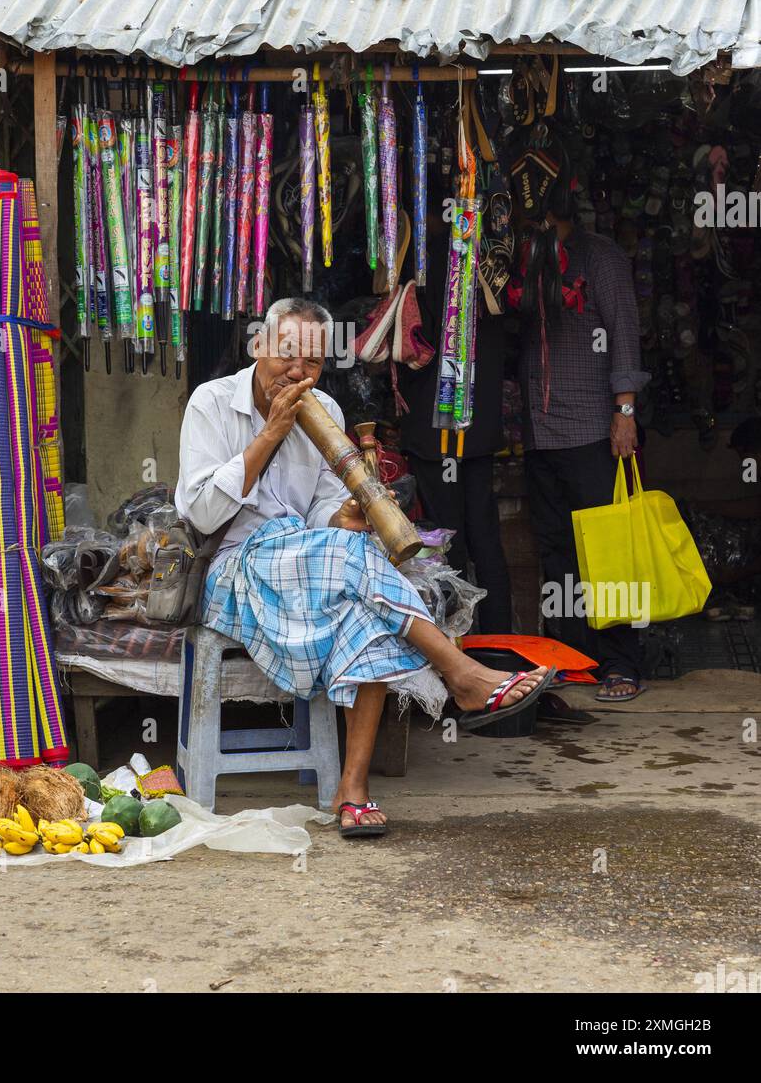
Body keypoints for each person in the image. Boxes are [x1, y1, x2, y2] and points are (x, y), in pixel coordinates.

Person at [174, 297, 554, 837]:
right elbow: (204, 511)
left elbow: (323, 517)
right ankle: (459, 672)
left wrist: (350, 514)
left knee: (367, 613)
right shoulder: (210, 404)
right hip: (234, 572)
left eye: (312, 361)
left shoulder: (324, 409)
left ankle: (351, 791)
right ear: (258, 347)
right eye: (286, 355)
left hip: (310, 565)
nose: (297, 372)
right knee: (355, 565)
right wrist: (270, 435)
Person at [509, 149, 650, 701]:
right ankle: (574, 657)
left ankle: (621, 662)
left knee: (608, 552)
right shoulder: (530, 259)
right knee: (556, 550)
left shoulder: (601, 259)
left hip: (594, 428)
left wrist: (625, 412)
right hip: (542, 433)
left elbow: (625, 336)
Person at [398, 205, 513, 632]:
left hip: (440, 436)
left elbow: (411, 349)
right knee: (483, 540)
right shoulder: (491, 269)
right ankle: (496, 644)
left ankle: (460, 648)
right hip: (472, 436)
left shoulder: (424, 270)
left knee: (450, 545)